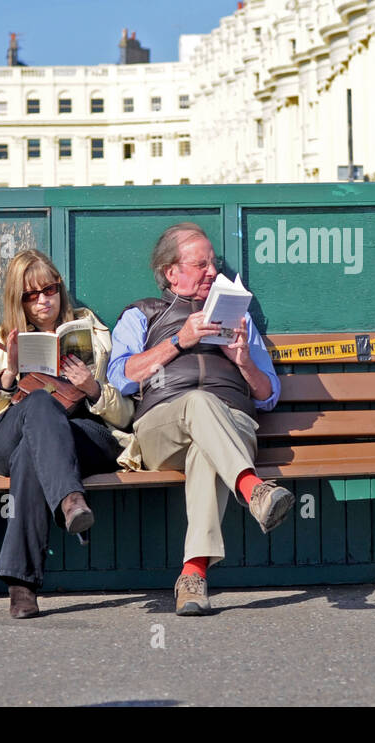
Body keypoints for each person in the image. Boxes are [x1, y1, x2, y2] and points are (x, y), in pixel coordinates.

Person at [0, 249, 133, 618]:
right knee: (40, 406)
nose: (44, 300)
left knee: (33, 452)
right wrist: (8, 375)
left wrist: (92, 388)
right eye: (32, 294)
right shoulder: (2, 339)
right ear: (18, 300)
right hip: (5, 439)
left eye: (50, 289)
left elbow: (124, 416)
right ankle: (71, 501)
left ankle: (21, 586)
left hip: (81, 434)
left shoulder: (92, 332)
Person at [108, 222, 292, 616]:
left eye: (214, 264)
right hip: (163, 426)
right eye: (201, 264)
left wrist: (242, 362)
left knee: (205, 449)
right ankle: (252, 488)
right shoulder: (142, 314)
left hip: (232, 427)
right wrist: (178, 342)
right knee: (197, 401)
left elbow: (267, 394)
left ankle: (193, 577)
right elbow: (120, 377)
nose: (213, 272)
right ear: (171, 272)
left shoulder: (238, 318)